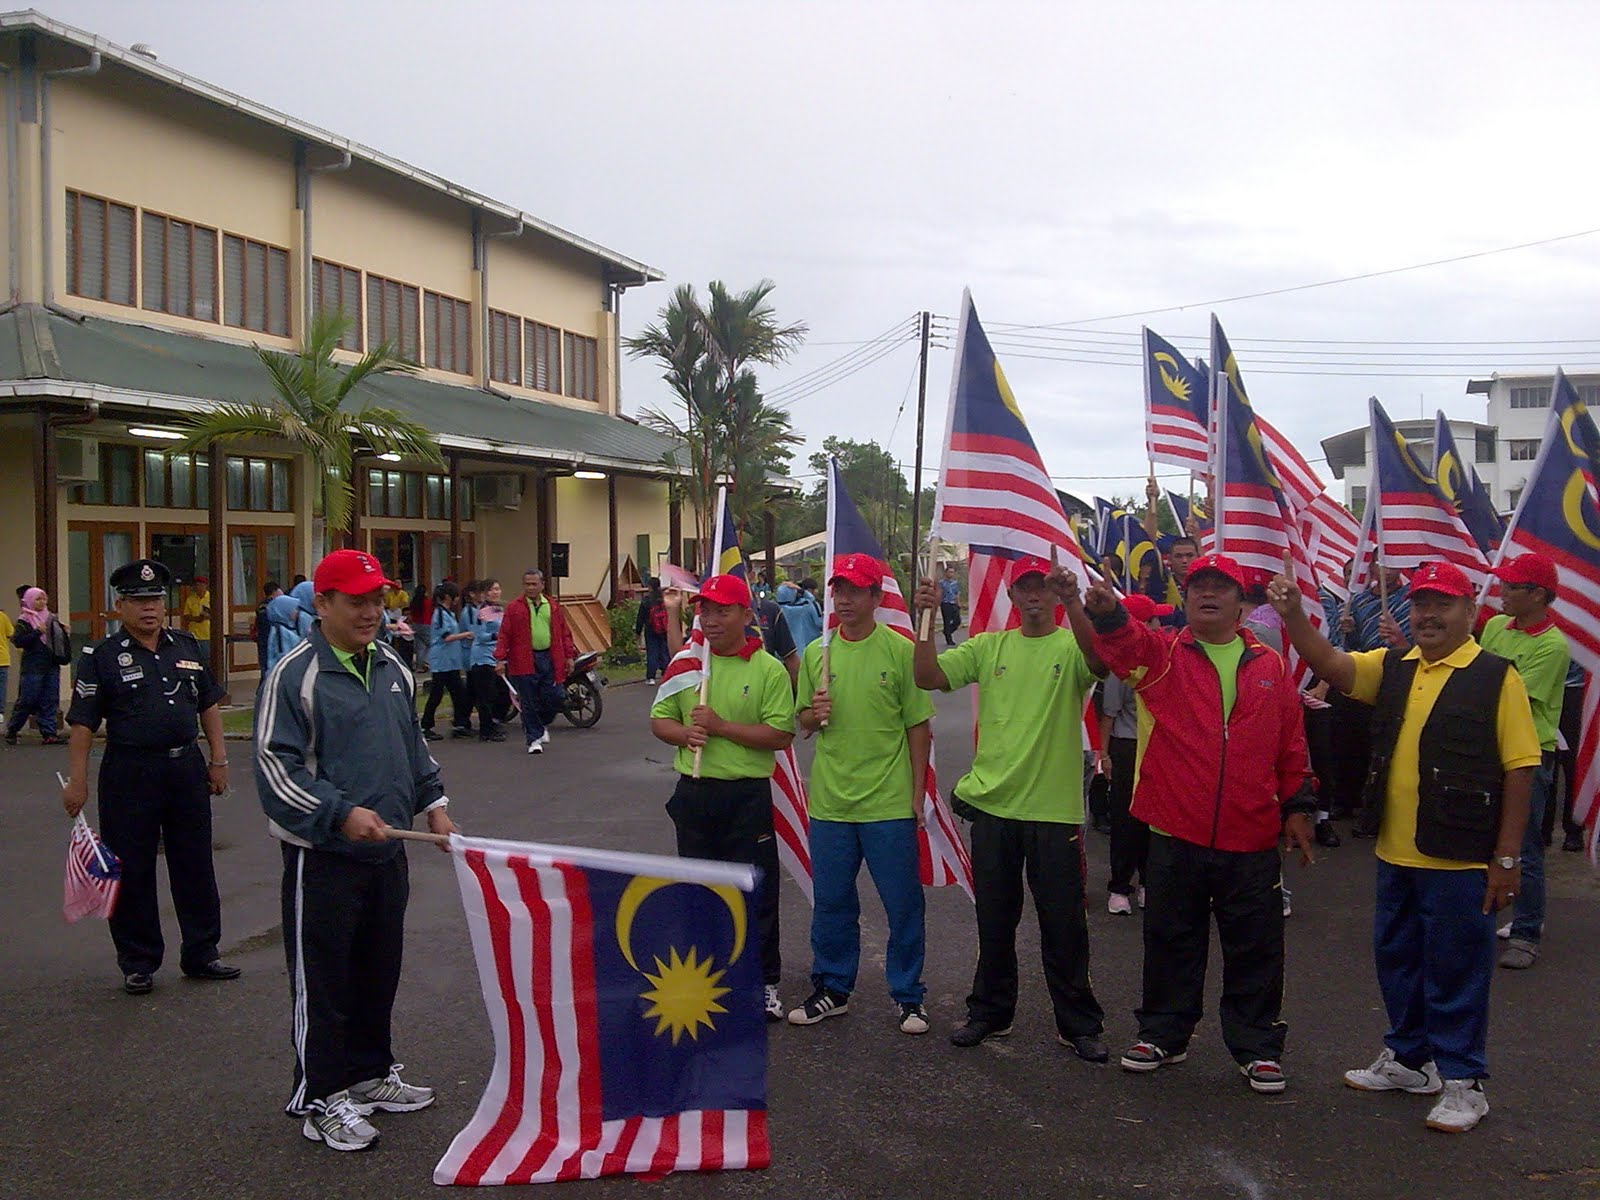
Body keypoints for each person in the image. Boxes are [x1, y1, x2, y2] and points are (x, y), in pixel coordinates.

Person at [1272, 559, 1538, 1133]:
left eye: (1442, 604)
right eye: (1420, 604)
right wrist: (1294, 616)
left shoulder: (1497, 675)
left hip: (1462, 857)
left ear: (1470, 612)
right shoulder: (1393, 666)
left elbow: (1521, 768)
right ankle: (1410, 1061)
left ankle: (1464, 1081)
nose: (1429, 614)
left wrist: (1508, 858)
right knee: (1398, 959)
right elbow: (1333, 667)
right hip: (1396, 851)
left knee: (1457, 967)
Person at [1078, 553, 1316, 1095]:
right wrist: (1108, 612)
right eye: (1197, 586)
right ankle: (1164, 1034)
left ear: (1240, 601)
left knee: (1255, 948)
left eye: (1220, 587)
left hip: (1251, 836)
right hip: (1174, 832)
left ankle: (1256, 1047)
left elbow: (1291, 742)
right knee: (1170, 939)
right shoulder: (1164, 655)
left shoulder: (1270, 664)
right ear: (1185, 598)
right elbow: (1124, 646)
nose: (1208, 594)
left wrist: (1298, 806)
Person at [255, 548, 458, 1152]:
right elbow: (275, 766)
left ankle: (369, 1074)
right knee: (324, 981)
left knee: (377, 968)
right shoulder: (295, 674)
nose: (371, 612)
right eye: (356, 601)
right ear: (322, 604)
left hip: (388, 849)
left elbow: (412, 746)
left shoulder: (391, 664)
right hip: (322, 857)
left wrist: (436, 804)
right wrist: (339, 815)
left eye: (377, 600)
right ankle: (320, 1096)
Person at [912, 556, 1108, 1062]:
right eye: (1026, 588)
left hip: (1054, 812)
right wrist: (926, 619)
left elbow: (1102, 662)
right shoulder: (989, 646)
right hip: (994, 807)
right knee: (995, 921)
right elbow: (929, 676)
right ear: (1014, 596)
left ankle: (1078, 1023)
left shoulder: (1071, 643)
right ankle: (990, 1013)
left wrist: (1074, 603)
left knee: (1063, 924)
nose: (1034, 596)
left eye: (1044, 587)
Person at [59, 558, 237, 993]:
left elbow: (208, 704)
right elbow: (82, 724)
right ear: (120, 607)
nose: (150, 608)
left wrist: (219, 758)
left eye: (156, 599)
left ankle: (202, 952)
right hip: (130, 773)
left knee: (194, 864)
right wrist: (77, 781)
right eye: (139, 601)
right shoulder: (102, 658)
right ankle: (138, 961)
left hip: (185, 769)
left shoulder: (187, 646)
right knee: (133, 869)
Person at [790, 555, 934, 1035]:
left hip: (888, 804)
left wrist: (917, 796)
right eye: (839, 590)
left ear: (877, 598)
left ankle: (909, 996)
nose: (845, 600)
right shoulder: (818, 653)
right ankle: (833, 988)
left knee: (902, 904)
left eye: (856, 591)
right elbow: (803, 725)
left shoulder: (899, 650)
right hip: (831, 803)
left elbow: (918, 727)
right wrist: (814, 711)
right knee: (831, 902)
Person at [648, 573, 796, 1022]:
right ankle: (706, 979)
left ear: (747, 615)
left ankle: (764, 981)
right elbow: (659, 720)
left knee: (756, 891)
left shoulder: (766, 668)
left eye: (722, 611)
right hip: (694, 794)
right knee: (700, 893)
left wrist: (720, 727)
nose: (711, 620)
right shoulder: (688, 664)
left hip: (746, 798)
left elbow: (779, 734)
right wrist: (685, 733)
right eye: (705, 610)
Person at [1478, 553, 1569, 971]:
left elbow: (1505, 694)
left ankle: (1527, 931)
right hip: (1490, 750)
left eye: (1513, 587)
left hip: (1530, 754)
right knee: (1485, 839)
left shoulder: (1552, 645)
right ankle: (1489, 916)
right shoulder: (1496, 626)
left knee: (1524, 846)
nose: (1503, 593)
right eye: (1504, 585)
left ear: (1538, 595)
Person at [1096, 593, 1171, 915]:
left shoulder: (1164, 657)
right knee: (1127, 820)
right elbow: (1109, 715)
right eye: (1154, 620)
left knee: (1155, 819)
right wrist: (1105, 756)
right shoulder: (1122, 667)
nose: (1161, 625)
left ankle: (1148, 884)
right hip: (1127, 747)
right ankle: (1120, 886)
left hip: (1157, 745)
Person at [1332, 559, 1411, 836]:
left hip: (1398, 675)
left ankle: (1377, 808)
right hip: (1366, 674)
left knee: (1385, 745)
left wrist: (1400, 638)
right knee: (1355, 740)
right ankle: (1348, 799)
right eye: (1382, 565)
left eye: (1393, 565)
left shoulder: (1408, 599)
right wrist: (1349, 630)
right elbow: (1350, 647)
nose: (1387, 571)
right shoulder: (1360, 601)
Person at [494, 568, 576, 755]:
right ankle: (533, 738)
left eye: (534, 584)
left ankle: (541, 724)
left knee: (555, 696)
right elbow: (504, 634)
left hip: (549, 657)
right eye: (527, 584)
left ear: (542, 585)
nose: (530, 588)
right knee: (528, 701)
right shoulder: (514, 607)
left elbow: (564, 633)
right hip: (523, 659)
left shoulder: (552, 606)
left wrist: (569, 655)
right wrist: (500, 659)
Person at [7, 586, 70, 745]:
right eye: (37, 599)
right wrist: (36, 632)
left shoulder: (50, 617)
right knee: (28, 699)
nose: (41, 602)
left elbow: (56, 637)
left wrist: (63, 631)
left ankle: (49, 733)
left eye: (43, 599)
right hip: (33, 665)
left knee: (49, 698)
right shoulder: (24, 620)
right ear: (29, 601)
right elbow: (18, 641)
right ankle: (13, 729)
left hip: (51, 663)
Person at [419, 582, 473, 742]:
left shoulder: (448, 613)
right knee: (436, 694)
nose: (458, 599)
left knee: (459, 693)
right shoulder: (440, 614)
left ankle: (460, 723)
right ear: (448, 597)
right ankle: (425, 726)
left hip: (451, 661)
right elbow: (446, 637)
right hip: (442, 661)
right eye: (455, 596)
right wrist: (465, 635)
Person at [467, 579, 506, 742]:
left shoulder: (498, 609)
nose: (496, 592)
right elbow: (480, 635)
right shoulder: (482, 611)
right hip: (482, 657)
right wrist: (498, 636)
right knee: (486, 695)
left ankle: (494, 722)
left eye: (498, 589)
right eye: (492, 590)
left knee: (502, 692)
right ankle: (486, 730)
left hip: (495, 656)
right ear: (485, 593)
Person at [635, 577, 671, 684]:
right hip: (664, 629)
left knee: (652, 652)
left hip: (651, 629)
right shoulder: (664, 599)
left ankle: (651, 677)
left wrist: (638, 631)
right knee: (664, 650)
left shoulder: (646, 600)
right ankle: (666, 673)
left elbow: (640, 617)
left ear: (649, 587)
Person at [776, 579, 824, 651]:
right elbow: (811, 599)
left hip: (783, 647)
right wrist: (799, 589)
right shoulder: (800, 607)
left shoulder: (775, 608)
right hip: (804, 643)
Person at [181, 575, 213, 665]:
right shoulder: (190, 599)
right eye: (196, 585)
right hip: (194, 634)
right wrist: (196, 619)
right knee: (195, 658)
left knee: (207, 659)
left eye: (200, 585)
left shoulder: (211, 597)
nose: (198, 587)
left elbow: (217, 614)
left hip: (208, 634)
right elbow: (186, 616)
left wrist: (207, 616)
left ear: (205, 585)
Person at [253, 580, 283, 672]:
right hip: (269, 639)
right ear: (274, 591)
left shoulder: (261, 605)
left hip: (262, 638)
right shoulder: (274, 605)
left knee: (264, 667)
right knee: (269, 668)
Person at [0, 593, 14, 728]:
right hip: (2, 658)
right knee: (1, 686)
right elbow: (11, 634)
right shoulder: (2, 616)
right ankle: (0, 712)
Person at [939, 566, 962, 646]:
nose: (951, 574)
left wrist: (958, 603)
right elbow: (940, 593)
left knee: (957, 621)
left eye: (953, 572)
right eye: (950, 572)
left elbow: (957, 593)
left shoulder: (955, 583)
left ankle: (947, 631)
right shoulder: (941, 583)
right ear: (946, 573)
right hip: (945, 603)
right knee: (947, 621)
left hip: (953, 603)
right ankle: (949, 639)